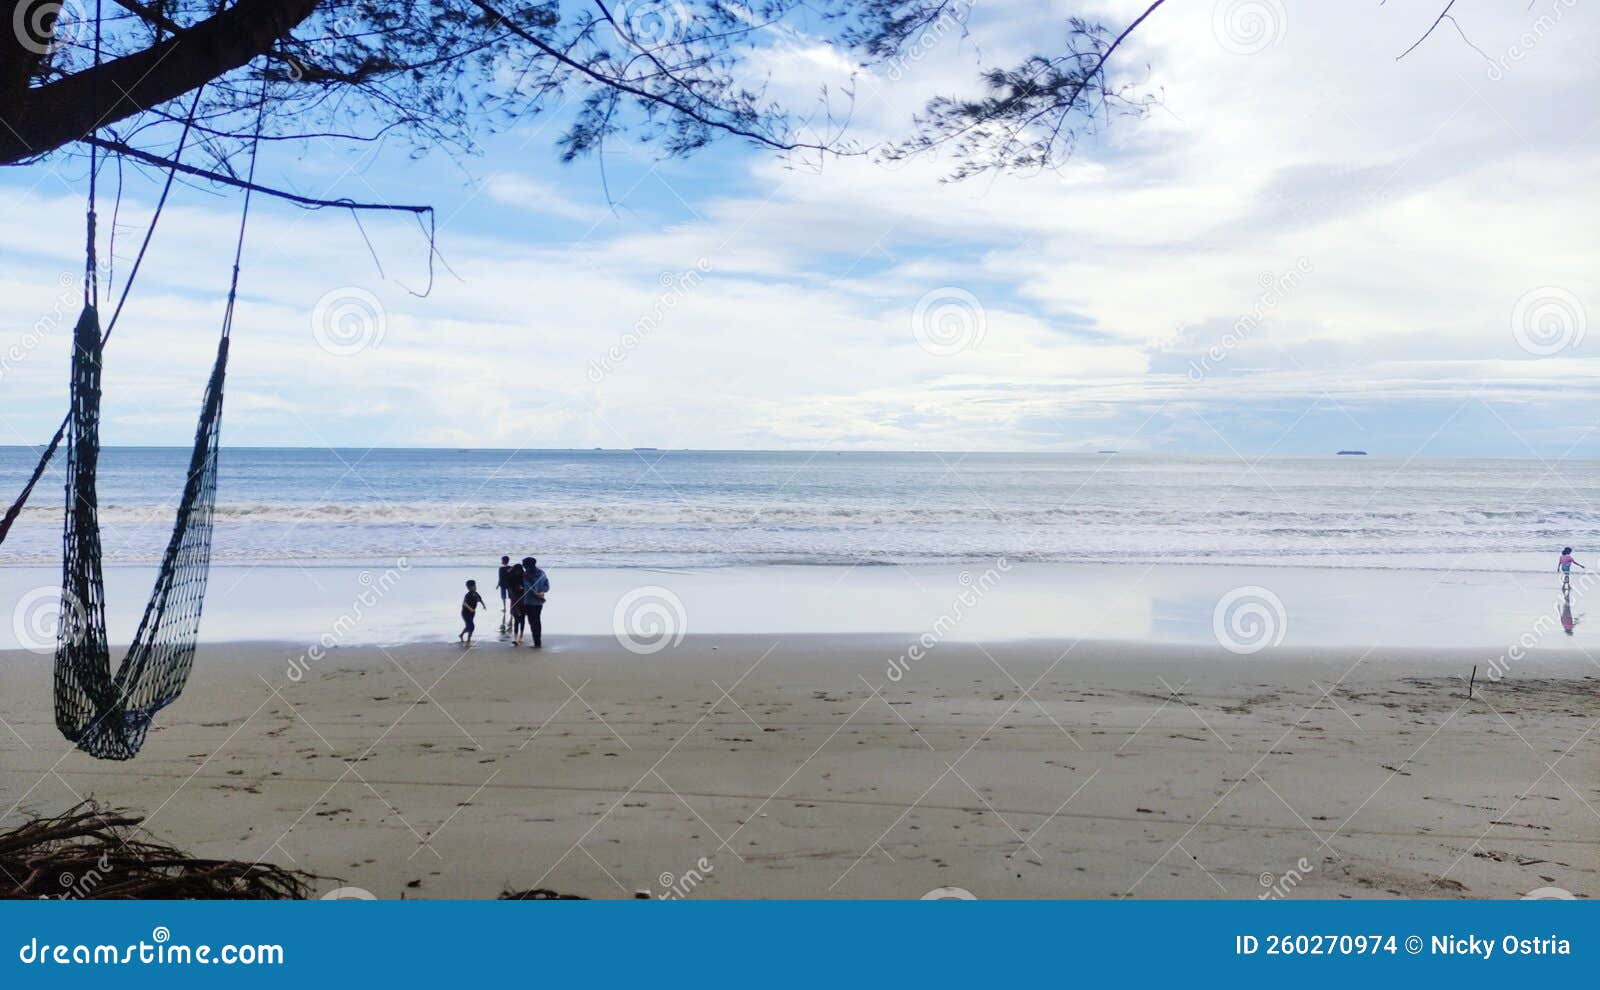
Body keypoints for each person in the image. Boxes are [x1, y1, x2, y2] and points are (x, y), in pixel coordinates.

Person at [521, 556, 550, 649]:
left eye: (524, 565)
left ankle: (537, 643)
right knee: (537, 621)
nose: (524, 567)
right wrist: (542, 592)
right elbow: (547, 586)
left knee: (533, 622)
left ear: (528, 565)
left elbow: (529, 588)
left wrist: (537, 594)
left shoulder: (526, 575)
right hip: (539, 602)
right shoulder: (542, 572)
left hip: (529, 601)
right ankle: (537, 642)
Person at [459, 579, 486, 645]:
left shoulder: (476, 594)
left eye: (475, 586)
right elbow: (464, 603)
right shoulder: (468, 595)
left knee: (469, 626)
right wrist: (470, 609)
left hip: (472, 613)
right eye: (473, 587)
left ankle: (461, 635)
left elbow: (480, 600)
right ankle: (468, 641)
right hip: (465, 613)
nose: (475, 587)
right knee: (471, 626)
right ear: (469, 588)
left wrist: (483, 605)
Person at [506, 560, 526, 644]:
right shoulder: (511, 577)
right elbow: (507, 582)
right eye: (516, 570)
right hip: (515, 599)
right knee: (516, 619)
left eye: (519, 570)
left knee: (522, 618)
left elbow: (527, 587)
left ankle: (521, 636)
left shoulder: (523, 577)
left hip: (522, 599)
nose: (518, 572)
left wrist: (522, 588)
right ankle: (515, 637)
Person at [495, 555, 513, 623]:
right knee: (510, 597)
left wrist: (498, 584)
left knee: (503, 597)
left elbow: (500, 577)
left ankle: (505, 607)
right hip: (509, 584)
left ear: (503, 561)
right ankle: (511, 607)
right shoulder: (511, 567)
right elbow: (512, 576)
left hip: (503, 584)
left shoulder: (501, 568)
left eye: (502, 560)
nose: (501, 561)